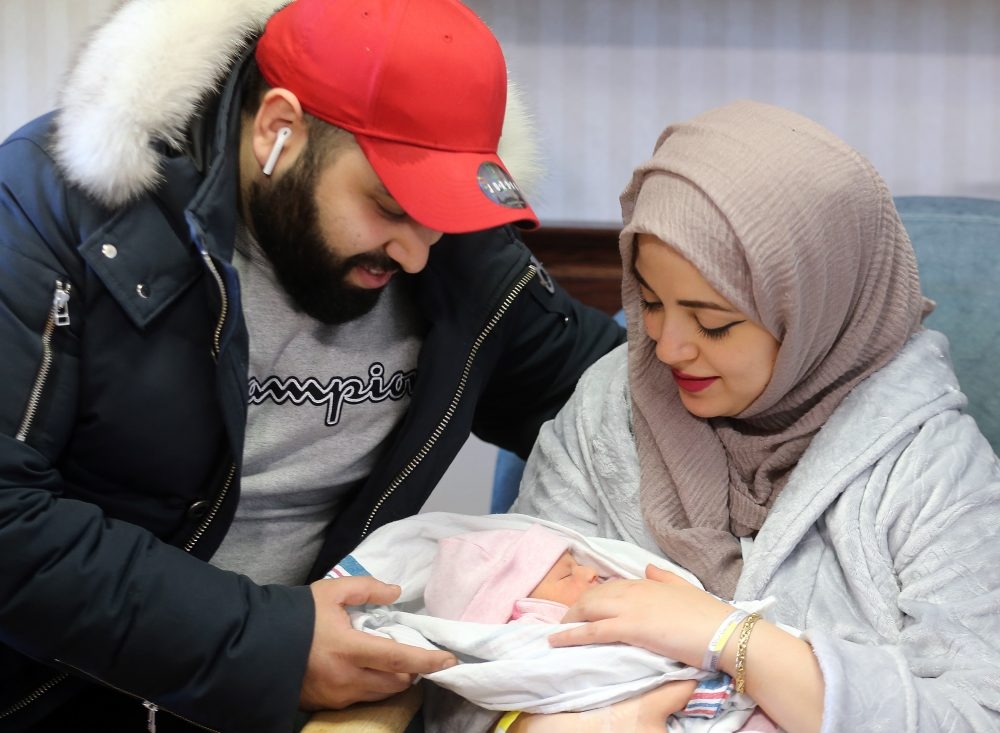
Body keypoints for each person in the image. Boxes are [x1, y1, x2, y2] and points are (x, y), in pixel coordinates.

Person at [0, 0, 624, 730]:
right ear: (279, 130)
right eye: (389, 205)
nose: (417, 252)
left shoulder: (455, 255)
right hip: (61, 695)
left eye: (438, 217)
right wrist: (272, 643)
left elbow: (608, 403)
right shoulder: (53, 213)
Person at [503, 99, 1000, 732]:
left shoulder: (933, 467)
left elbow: (978, 710)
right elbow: (484, 624)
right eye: (649, 303)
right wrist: (529, 726)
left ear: (814, 314)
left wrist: (733, 639)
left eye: (715, 323)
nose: (668, 347)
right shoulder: (608, 409)